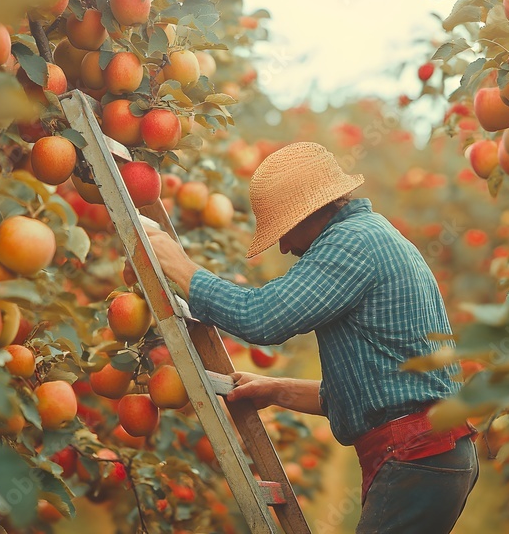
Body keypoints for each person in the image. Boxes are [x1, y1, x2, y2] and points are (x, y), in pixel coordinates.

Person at [144, 141, 478, 533]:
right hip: (434, 454)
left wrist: (181, 268)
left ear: (311, 212)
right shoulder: (373, 233)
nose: (284, 247)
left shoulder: (350, 243)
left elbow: (261, 319)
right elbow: (379, 392)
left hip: (417, 456)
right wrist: (276, 389)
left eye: (283, 231)